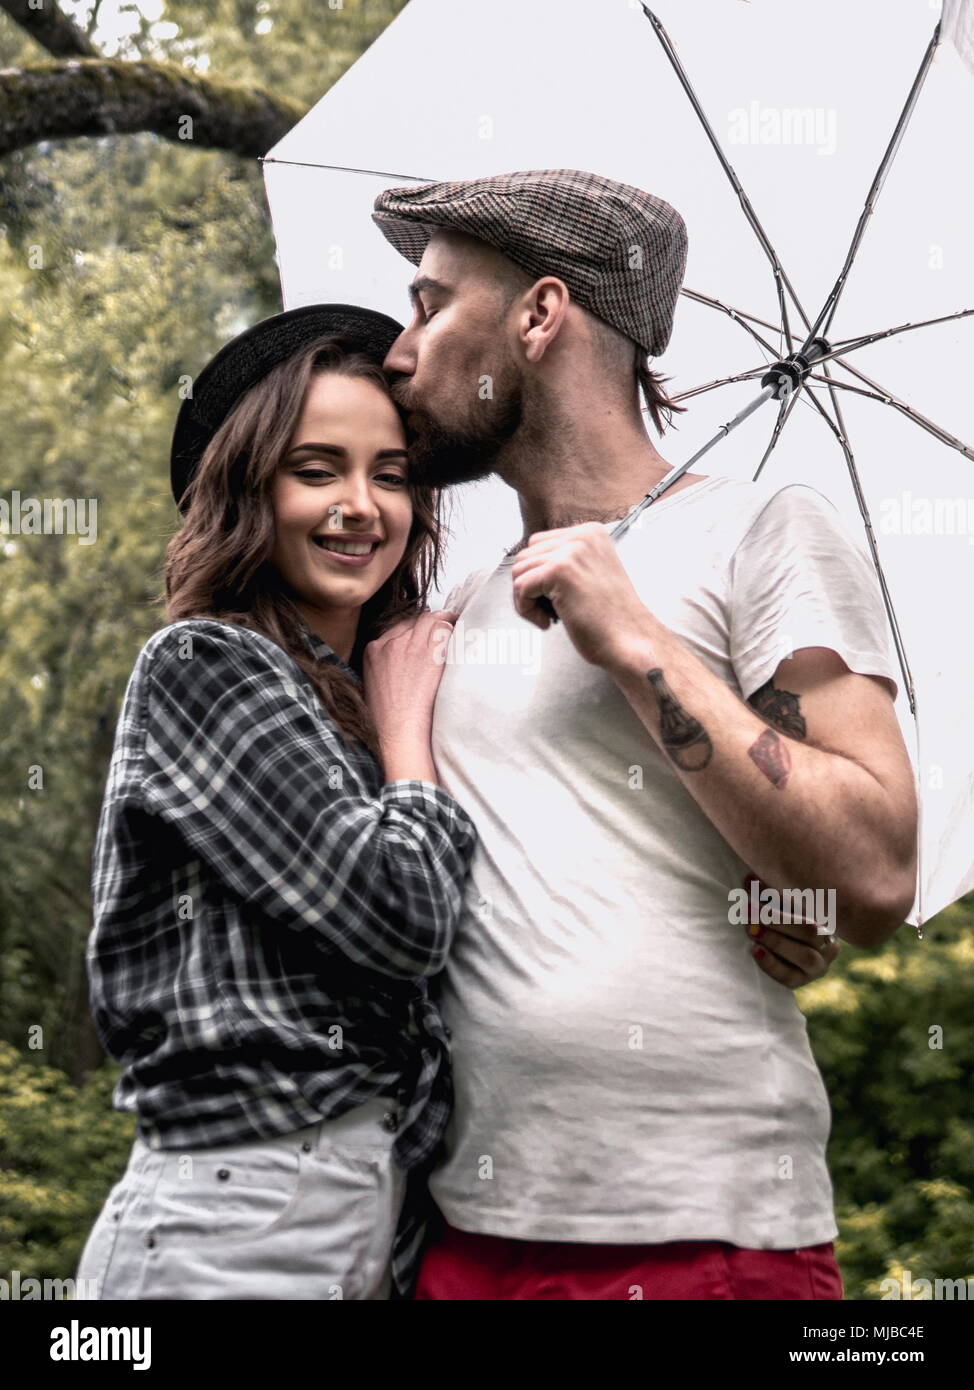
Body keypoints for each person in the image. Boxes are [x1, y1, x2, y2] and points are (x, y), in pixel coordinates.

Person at [370, 169, 919, 1300]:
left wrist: (637, 640)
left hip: (703, 1235)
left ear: (538, 315)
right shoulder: (448, 612)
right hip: (462, 1233)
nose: (396, 348)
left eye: (429, 305)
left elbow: (868, 874)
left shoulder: (760, 529)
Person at [75, 304, 476, 1300]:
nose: (361, 505)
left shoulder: (363, 696)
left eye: (389, 472)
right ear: (250, 488)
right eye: (316, 469)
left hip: (366, 1219)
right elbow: (399, 914)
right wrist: (409, 733)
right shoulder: (204, 665)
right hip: (232, 1218)